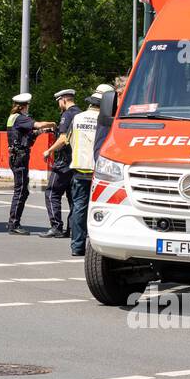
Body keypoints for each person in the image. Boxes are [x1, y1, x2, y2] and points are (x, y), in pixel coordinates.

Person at [6, 93, 56, 236]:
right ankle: (13, 224)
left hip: (17, 157)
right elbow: (37, 124)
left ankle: (13, 222)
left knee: (22, 191)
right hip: (19, 158)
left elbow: (28, 134)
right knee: (21, 191)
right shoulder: (21, 118)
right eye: (27, 105)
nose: (28, 108)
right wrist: (51, 123)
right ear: (22, 106)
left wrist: (43, 131)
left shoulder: (14, 118)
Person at [66, 89, 107, 257]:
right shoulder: (104, 120)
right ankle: (99, 247)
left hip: (79, 169)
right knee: (102, 209)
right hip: (98, 171)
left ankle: (77, 246)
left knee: (79, 209)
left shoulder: (77, 118)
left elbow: (69, 139)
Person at [38, 89, 80, 238]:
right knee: (72, 197)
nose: (59, 106)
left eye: (59, 102)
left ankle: (56, 226)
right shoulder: (81, 114)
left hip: (63, 163)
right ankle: (72, 229)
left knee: (52, 192)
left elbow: (63, 139)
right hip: (77, 163)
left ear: (63, 100)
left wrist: (49, 151)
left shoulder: (67, 115)